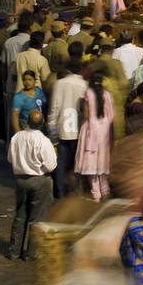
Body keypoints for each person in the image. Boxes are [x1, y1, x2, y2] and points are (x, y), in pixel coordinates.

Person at [7, 110, 56, 260]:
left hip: (21, 180)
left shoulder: (17, 137)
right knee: (37, 218)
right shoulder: (43, 141)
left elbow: (10, 158)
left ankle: (14, 251)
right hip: (39, 181)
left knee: (20, 216)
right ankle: (31, 253)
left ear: (27, 121)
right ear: (42, 124)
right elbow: (51, 166)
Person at [47, 57, 86, 198]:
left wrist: (51, 126)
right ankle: (74, 191)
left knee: (60, 164)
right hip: (78, 129)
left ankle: (60, 192)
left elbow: (54, 107)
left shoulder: (59, 84)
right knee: (76, 164)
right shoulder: (84, 85)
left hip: (62, 129)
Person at [76, 71, 115, 201]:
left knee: (91, 164)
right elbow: (111, 115)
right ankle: (105, 190)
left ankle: (96, 194)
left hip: (91, 129)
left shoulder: (88, 93)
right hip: (104, 130)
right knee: (102, 162)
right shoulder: (107, 94)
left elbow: (87, 114)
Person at [11, 69, 46, 133]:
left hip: (41, 127)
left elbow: (45, 106)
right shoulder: (19, 97)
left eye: (29, 79)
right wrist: (18, 134)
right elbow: (14, 116)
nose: (27, 82)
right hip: (26, 128)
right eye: (24, 80)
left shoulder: (39, 91)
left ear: (35, 81)